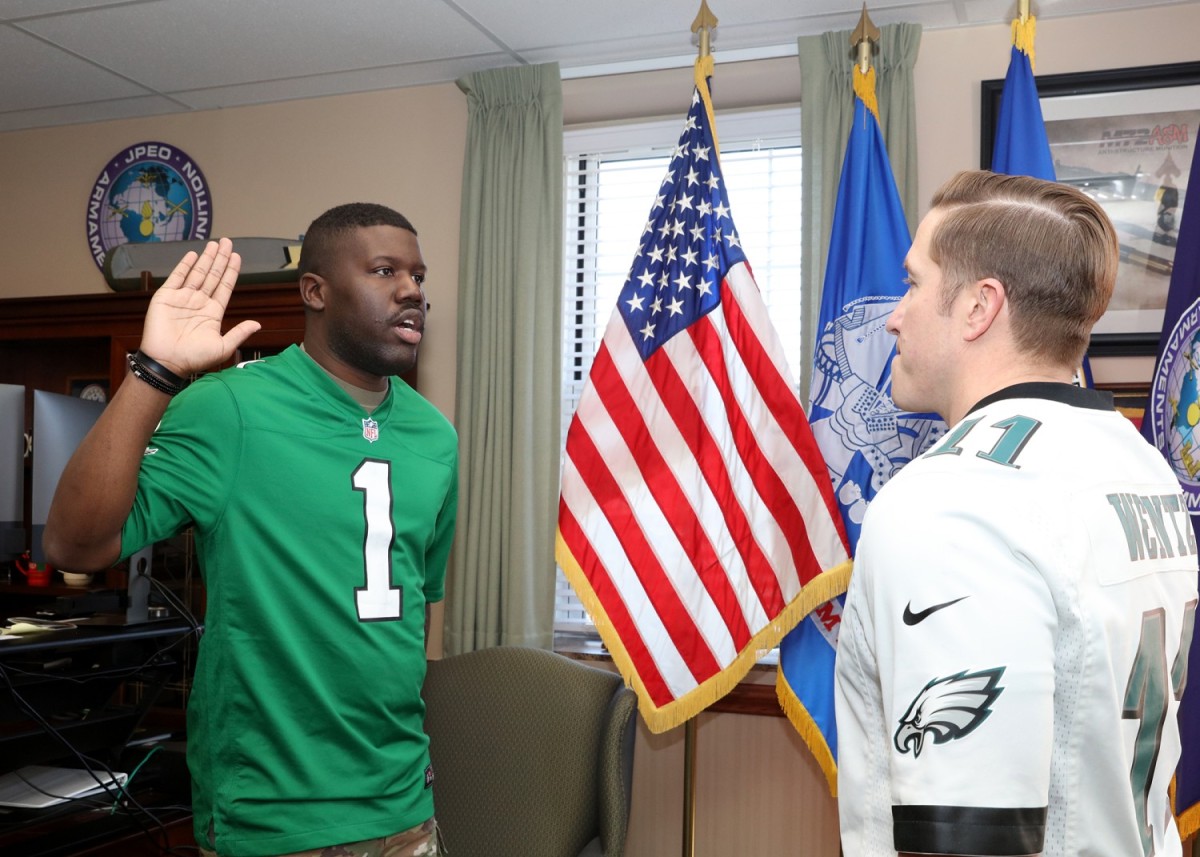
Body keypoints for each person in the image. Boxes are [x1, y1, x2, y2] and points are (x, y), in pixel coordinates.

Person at [44, 203, 457, 857]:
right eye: (384, 270)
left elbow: (414, 610)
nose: (412, 290)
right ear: (314, 291)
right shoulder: (228, 408)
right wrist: (156, 372)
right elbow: (73, 545)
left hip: (402, 811)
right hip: (270, 821)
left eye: (418, 275)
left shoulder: (437, 437)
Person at [834, 170, 1198, 857]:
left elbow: (971, 837)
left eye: (914, 283)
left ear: (979, 306)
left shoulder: (951, 502)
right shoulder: (1143, 464)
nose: (893, 314)